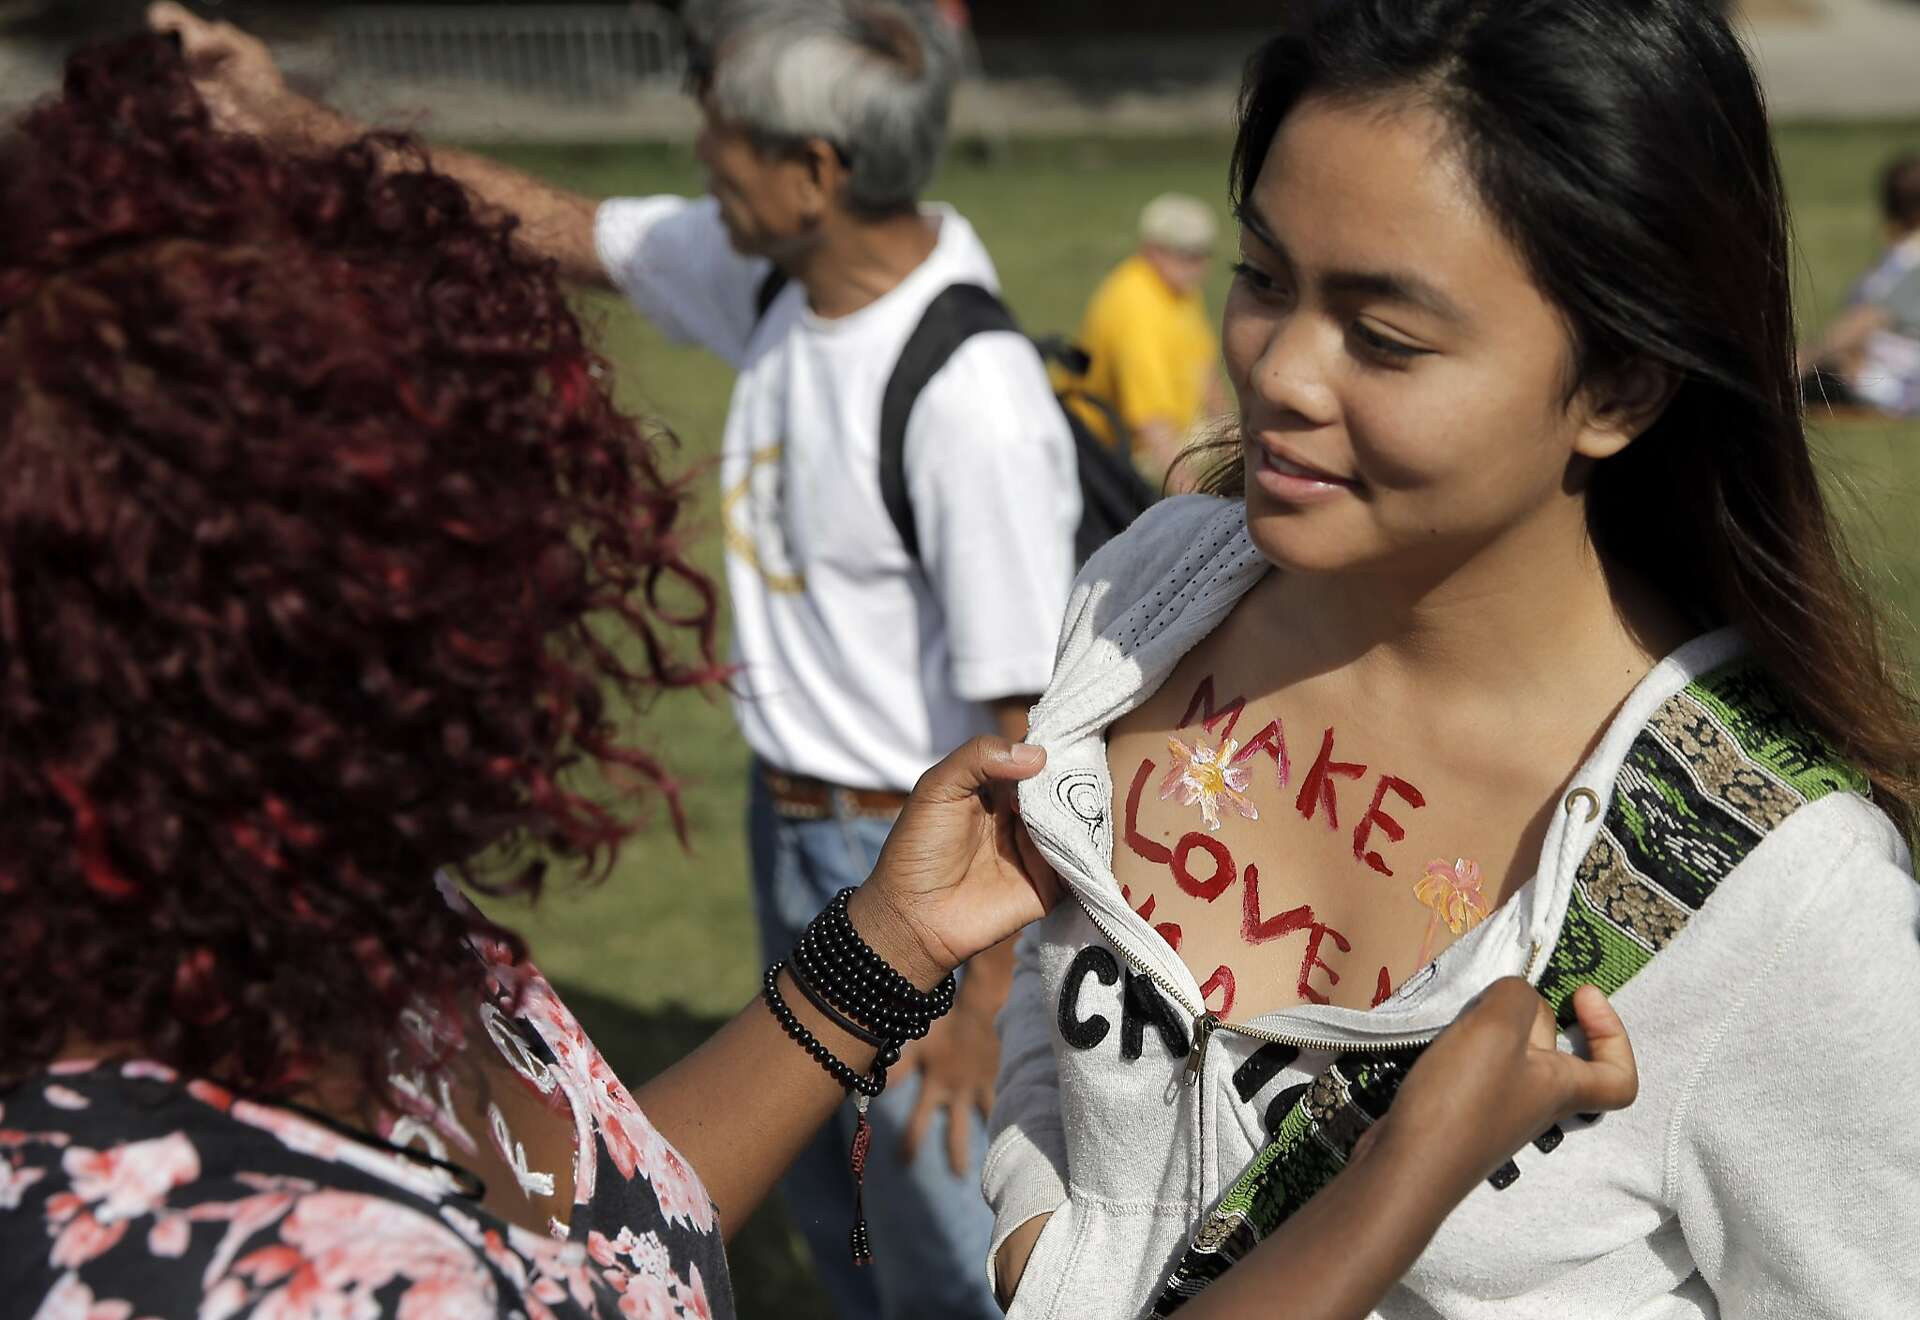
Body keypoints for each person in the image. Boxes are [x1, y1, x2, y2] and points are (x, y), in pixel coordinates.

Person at [0, 30, 1644, 1320]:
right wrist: (1399, 1178)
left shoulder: (378, 943)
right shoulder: (252, 1264)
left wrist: (894, 963)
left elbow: (607, 1232)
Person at [140, 4, 1080, 1317]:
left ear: (815, 172)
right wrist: (281, 121)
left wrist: (980, 1008)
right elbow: (549, 226)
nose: (699, 153)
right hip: (797, 832)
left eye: (723, 130)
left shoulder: (970, 396)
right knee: (838, 1216)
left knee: (938, 1242)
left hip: (916, 860)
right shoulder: (781, 279)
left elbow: (1028, 732)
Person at [986, 1, 1920, 1317]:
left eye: (1386, 338)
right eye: (1263, 278)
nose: (1281, 372)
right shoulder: (1148, 596)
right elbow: (1048, 968)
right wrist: (1040, 1240)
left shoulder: (1787, 898)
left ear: (1621, 386)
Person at [1058, 193, 1228, 488]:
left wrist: (1234, 448)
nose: (1197, 266)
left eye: (1202, 253)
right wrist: (1196, 496)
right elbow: (1150, 423)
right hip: (1106, 452)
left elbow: (1204, 372)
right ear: (1151, 250)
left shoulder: (1179, 290)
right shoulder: (1135, 310)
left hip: (1175, 429)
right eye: (1184, 253)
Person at [1800, 150, 1920, 418]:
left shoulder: (1909, 258)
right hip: (1886, 375)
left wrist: (1802, 360)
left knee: (1815, 380)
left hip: (1894, 384)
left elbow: (1866, 320)